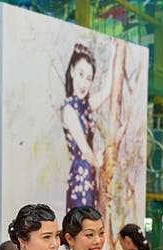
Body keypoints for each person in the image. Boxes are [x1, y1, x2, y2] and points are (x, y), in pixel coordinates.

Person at [62, 43, 111, 209]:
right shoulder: (69, 109)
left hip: (89, 177)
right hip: (79, 178)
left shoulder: (85, 105)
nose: (84, 82)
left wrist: (114, 55)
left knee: (91, 227)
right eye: (81, 74)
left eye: (89, 78)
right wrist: (99, 157)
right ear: (72, 72)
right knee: (83, 228)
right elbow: (86, 151)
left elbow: (106, 92)